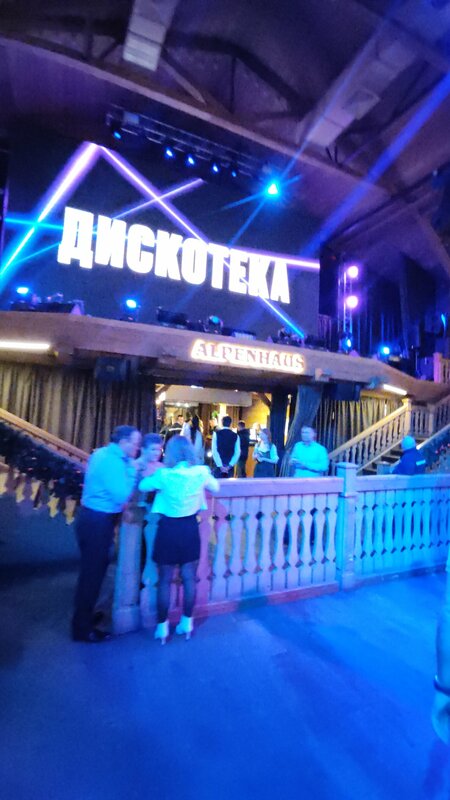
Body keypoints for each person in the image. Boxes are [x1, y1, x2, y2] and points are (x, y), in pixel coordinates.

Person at [139, 435, 219, 643]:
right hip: (189, 528)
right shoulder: (200, 472)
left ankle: (162, 628)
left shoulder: (164, 475)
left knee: (165, 580)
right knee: (189, 577)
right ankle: (187, 623)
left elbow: (143, 486)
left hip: (168, 529)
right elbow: (216, 488)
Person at [72, 425, 141, 643]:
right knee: (92, 577)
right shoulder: (114, 462)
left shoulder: (100, 453)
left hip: (91, 518)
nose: (137, 448)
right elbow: (121, 495)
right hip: (98, 522)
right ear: (123, 442)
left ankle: (84, 619)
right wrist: (132, 470)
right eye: (135, 443)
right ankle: (82, 629)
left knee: (91, 575)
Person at [135, 433, 164, 587]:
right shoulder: (135, 466)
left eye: (159, 450)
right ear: (143, 449)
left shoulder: (162, 468)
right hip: (138, 518)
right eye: (153, 449)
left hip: (156, 517)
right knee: (139, 554)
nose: (156, 453)